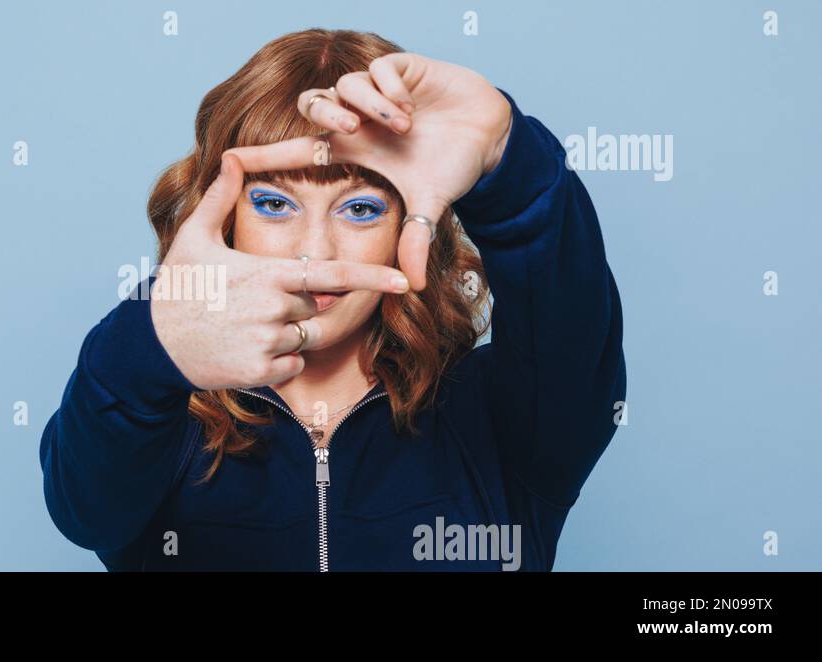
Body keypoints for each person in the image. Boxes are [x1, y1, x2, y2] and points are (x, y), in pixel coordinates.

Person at [39, 28, 626, 571]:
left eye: (362, 208)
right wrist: (155, 334)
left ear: (410, 226)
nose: (312, 253)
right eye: (273, 204)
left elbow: (572, 331)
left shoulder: (499, 423)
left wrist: (508, 158)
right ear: (223, 219)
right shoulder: (157, 424)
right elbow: (85, 511)